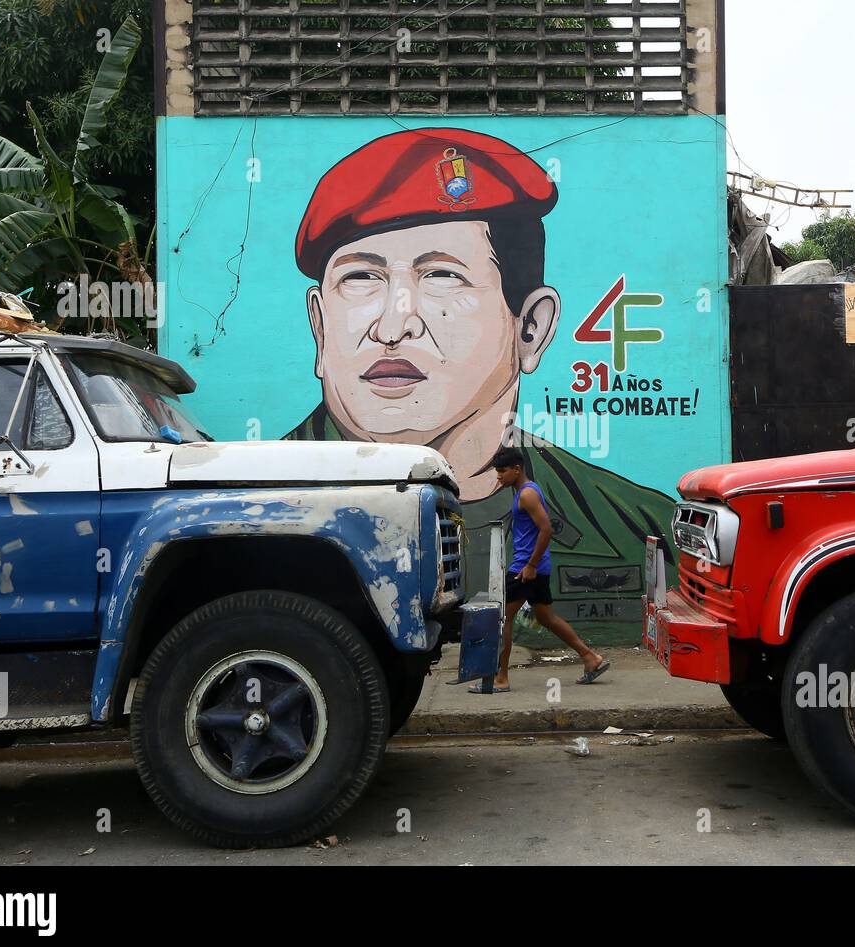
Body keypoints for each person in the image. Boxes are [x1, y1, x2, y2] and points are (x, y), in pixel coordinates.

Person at [286, 127, 676, 635]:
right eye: (361, 279)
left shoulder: (643, 529)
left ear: (530, 328)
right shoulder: (255, 517)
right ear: (320, 326)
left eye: (442, 277)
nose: (392, 325)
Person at [476, 447, 609, 692]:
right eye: (497, 472)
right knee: (546, 617)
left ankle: (501, 679)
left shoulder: (527, 494)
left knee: (501, 618)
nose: (499, 477)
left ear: (517, 469)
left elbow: (547, 529)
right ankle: (590, 658)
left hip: (526, 569)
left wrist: (531, 565)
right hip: (534, 568)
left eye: (503, 471)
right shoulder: (524, 492)